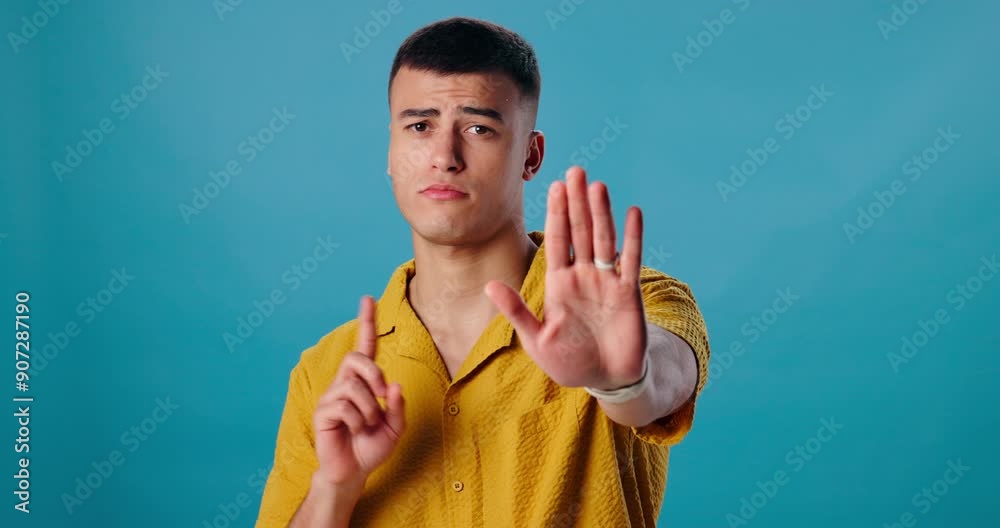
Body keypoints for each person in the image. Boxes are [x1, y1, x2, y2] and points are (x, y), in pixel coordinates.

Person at [255, 16, 711, 528]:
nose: (444, 157)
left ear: (531, 155)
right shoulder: (325, 371)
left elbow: (662, 377)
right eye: (419, 126)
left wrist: (622, 382)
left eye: (478, 128)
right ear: (390, 150)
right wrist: (334, 488)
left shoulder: (631, 304)